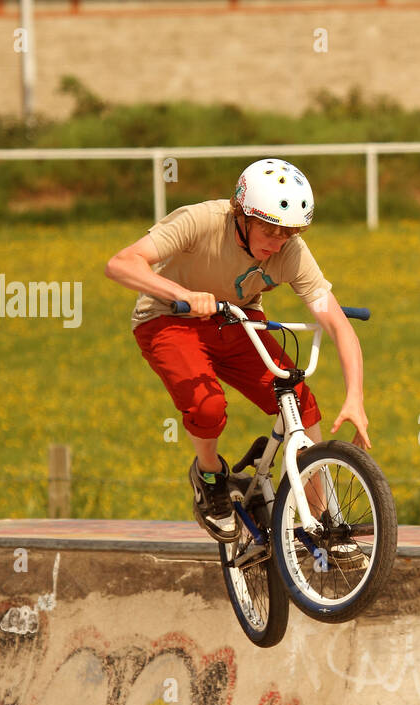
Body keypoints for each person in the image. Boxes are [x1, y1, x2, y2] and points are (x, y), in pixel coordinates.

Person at [105, 159, 370, 542]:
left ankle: (323, 520)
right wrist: (183, 295)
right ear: (240, 214)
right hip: (167, 318)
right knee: (207, 406)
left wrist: (355, 398)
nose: (276, 244)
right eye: (268, 229)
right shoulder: (201, 221)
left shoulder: (291, 252)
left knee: (298, 398)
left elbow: (338, 326)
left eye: (288, 233)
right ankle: (209, 476)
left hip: (237, 319)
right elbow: (120, 264)